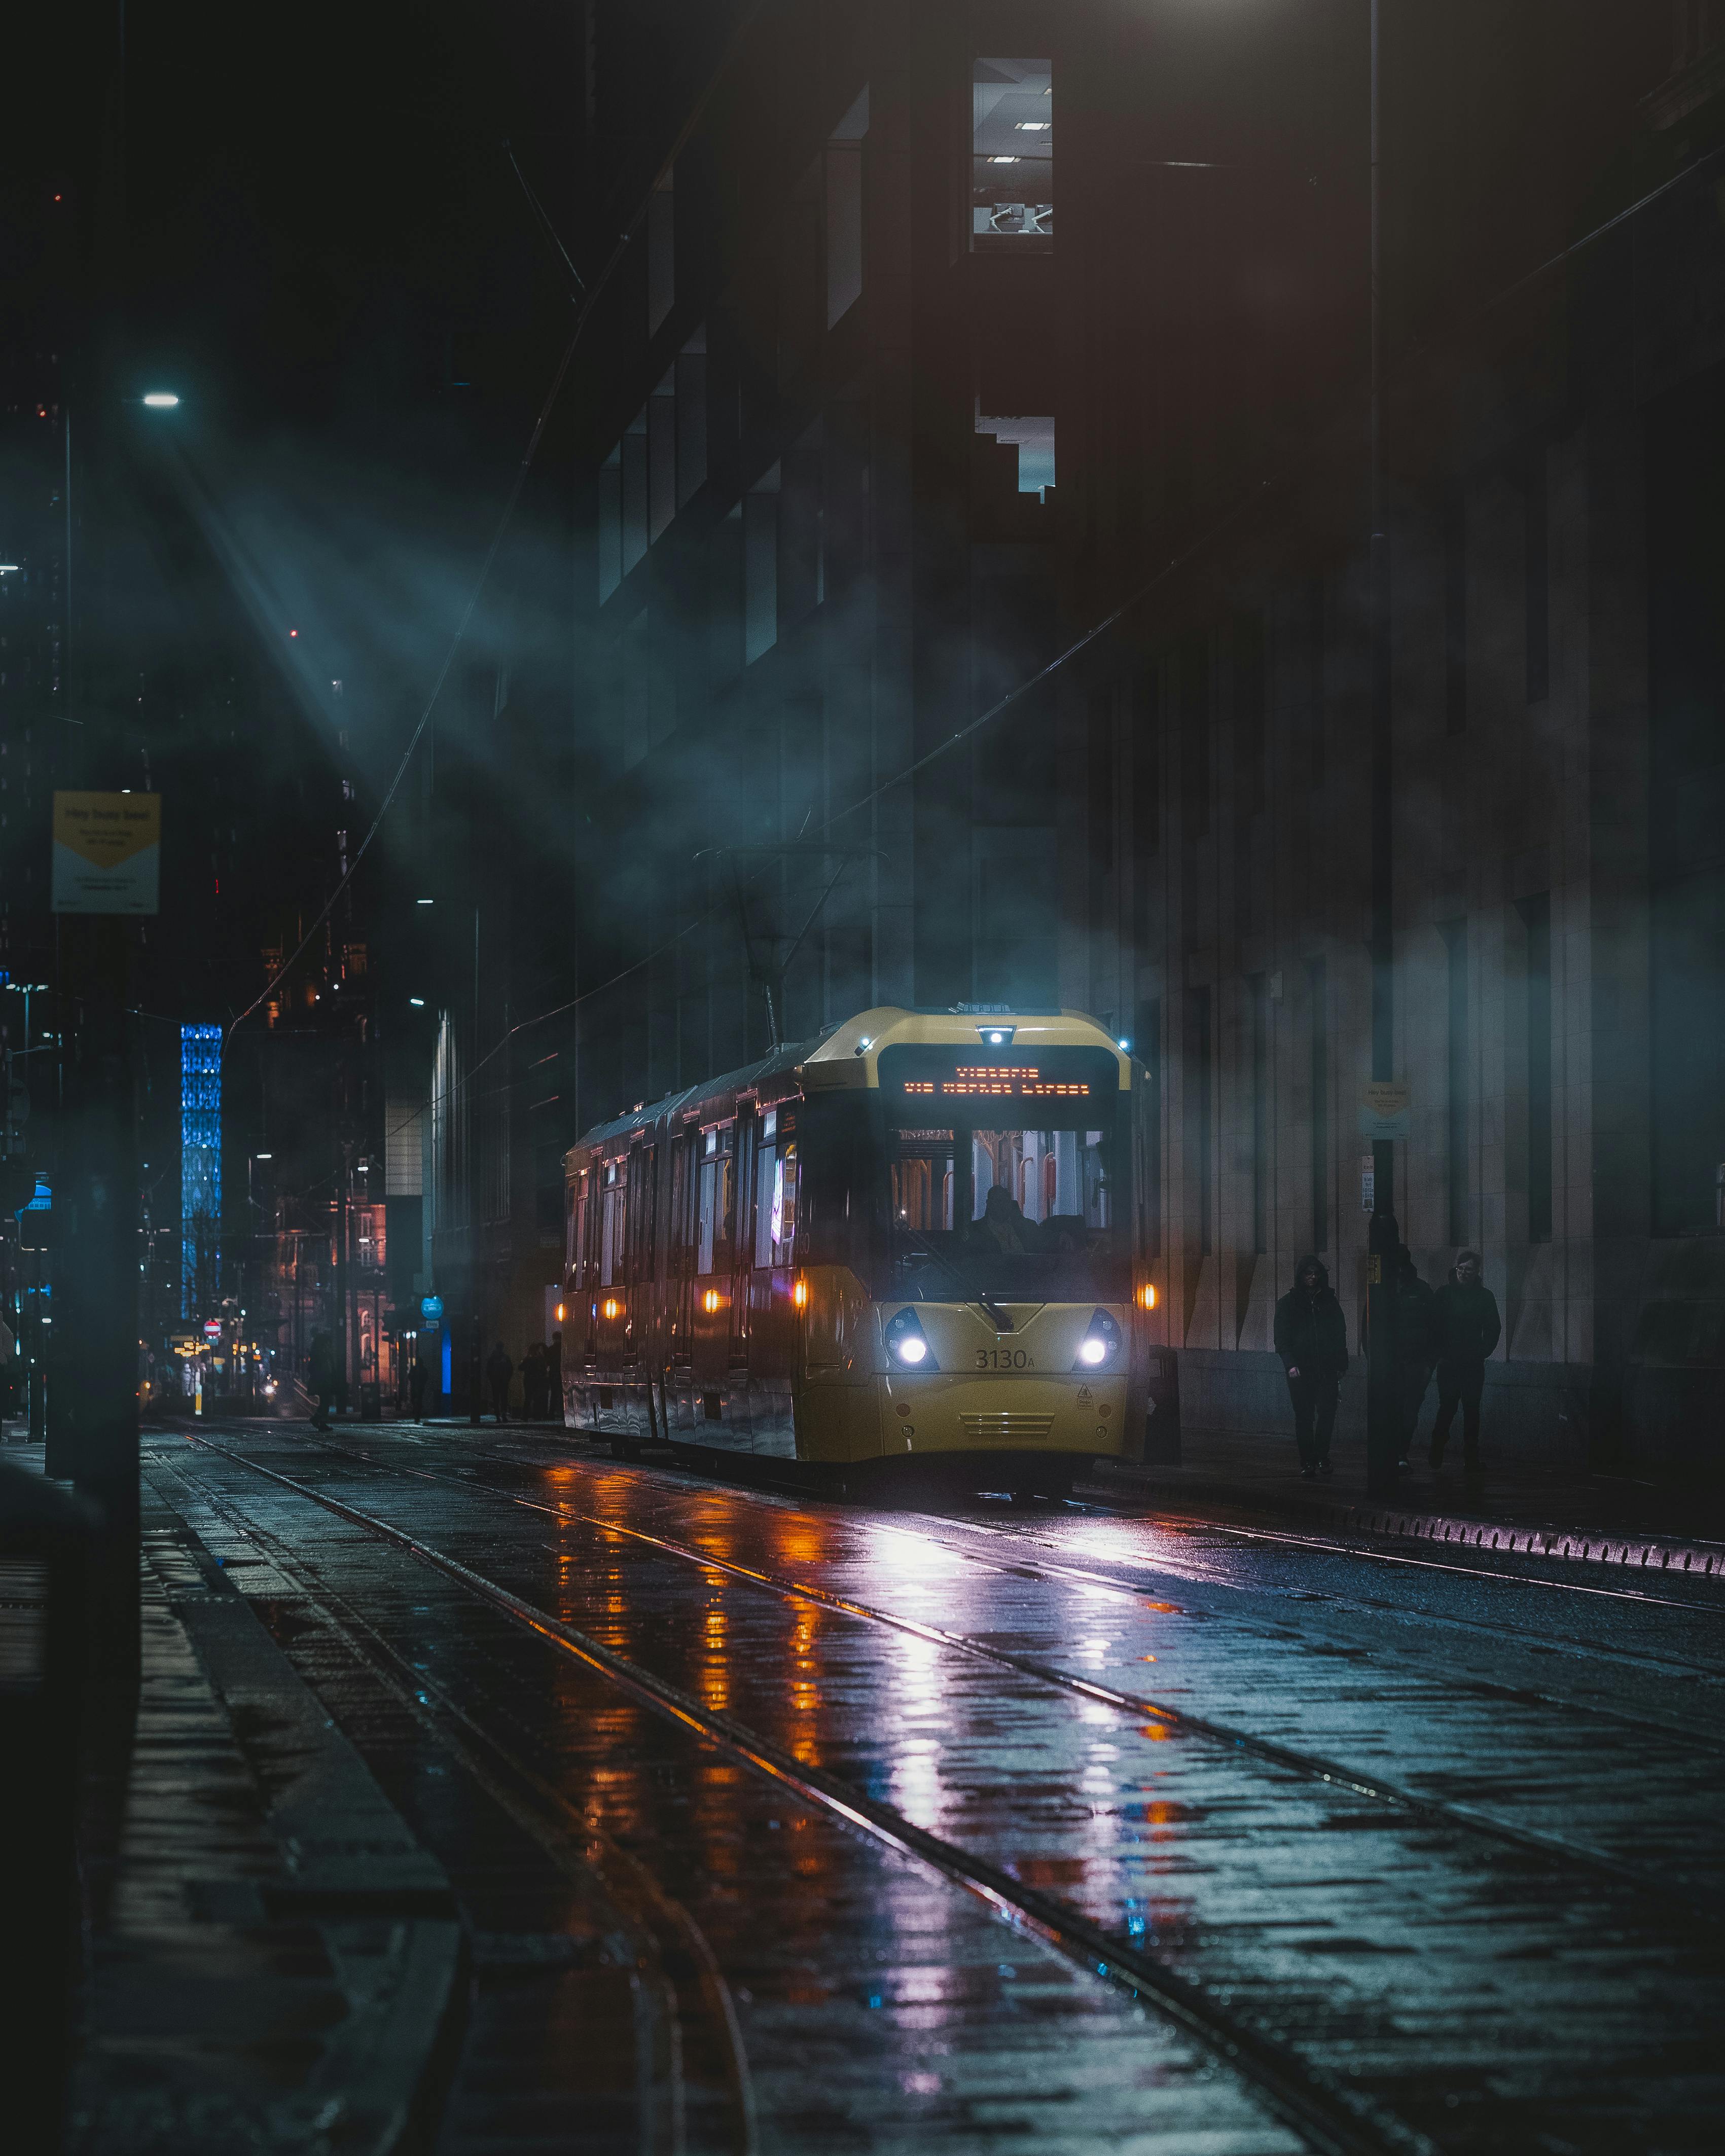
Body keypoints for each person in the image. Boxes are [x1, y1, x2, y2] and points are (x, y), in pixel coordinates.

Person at [1273, 1255, 1348, 1478]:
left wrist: (1341, 1362)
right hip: (1301, 1369)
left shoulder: (1329, 1301)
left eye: (1315, 1274)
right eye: (1308, 1273)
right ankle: (1308, 1460)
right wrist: (1291, 1364)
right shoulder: (1288, 1303)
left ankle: (1321, 1456)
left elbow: (1339, 1333)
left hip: (1325, 1368)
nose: (1313, 1277)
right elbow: (1282, 1338)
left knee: (1327, 1413)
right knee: (1305, 1416)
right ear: (1301, 1276)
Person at [1428, 1248, 1501, 1479]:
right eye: (1461, 1269)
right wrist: (1440, 1352)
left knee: (1471, 1409)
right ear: (1455, 1269)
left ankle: (1470, 1457)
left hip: (1471, 1362)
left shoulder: (1484, 1297)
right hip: (1449, 1362)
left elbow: (1493, 1328)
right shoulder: (1444, 1294)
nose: (1464, 1273)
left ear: (1476, 1272)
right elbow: (1433, 1324)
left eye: (1469, 1270)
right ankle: (1438, 1445)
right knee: (1448, 1405)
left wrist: (1482, 1351)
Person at [1389, 1247, 1437, 1476]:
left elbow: (1435, 1327)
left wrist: (1428, 1364)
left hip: (1415, 1363)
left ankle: (1400, 1453)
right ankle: (1397, 1453)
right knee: (1396, 1410)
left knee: (1408, 1412)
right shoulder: (1384, 1290)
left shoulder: (1421, 1291)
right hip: (1393, 1364)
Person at [974, 1184, 1030, 1255]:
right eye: (998, 1201)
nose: (1002, 1205)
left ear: (1010, 1204)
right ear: (989, 1203)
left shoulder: (1027, 1227)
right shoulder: (976, 1230)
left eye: (1006, 1201)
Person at [308, 1328, 338, 1432]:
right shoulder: (320, 1355)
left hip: (326, 1380)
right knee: (325, 1402)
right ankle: (319, 1420)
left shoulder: (323, 1353)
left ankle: (320, 1421)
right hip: (323, 1381)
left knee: (325, 1402)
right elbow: (316, 1368)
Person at [485, 1340, 513, 1423]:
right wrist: (507, 1379)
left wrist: (492, 1380)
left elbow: (488, 1370)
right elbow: (510, 1369)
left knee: (497, 1399)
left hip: (497, 1381)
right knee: (503, 1398)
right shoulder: (504, 1358)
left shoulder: (493, 1358)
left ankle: (499, 1415)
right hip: (502, 1381)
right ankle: (502, 1414)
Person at [520, 1342, 546, 1421]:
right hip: (538, 1380)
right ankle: (537, 1415)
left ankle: (526, 1416)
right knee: (537, 1398)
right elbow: (544, 1369)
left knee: (528, 1398)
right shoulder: (540, 1358)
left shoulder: (528, 1358)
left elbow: (521, 1367)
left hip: (528, 1380)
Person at [547, 1330, 563, 1426]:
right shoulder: (563, 1348)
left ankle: (551, 1413)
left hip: (553, 1373)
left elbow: (548, 1362)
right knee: (562, 1394)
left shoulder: (551, 1349)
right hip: (561, 1373)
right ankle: (562, 1413)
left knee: (554, 1394)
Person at [408, 1353, 428, 1421]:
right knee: (417, 1400)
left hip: (416, 1387)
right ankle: (417, 1412)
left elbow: (410, 1377)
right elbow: (426, 1378)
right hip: (419, 1387)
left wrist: (414, 1381)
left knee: (416, 1400)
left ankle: (417, 1413)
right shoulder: (422, 1369)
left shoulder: (415, 1369)